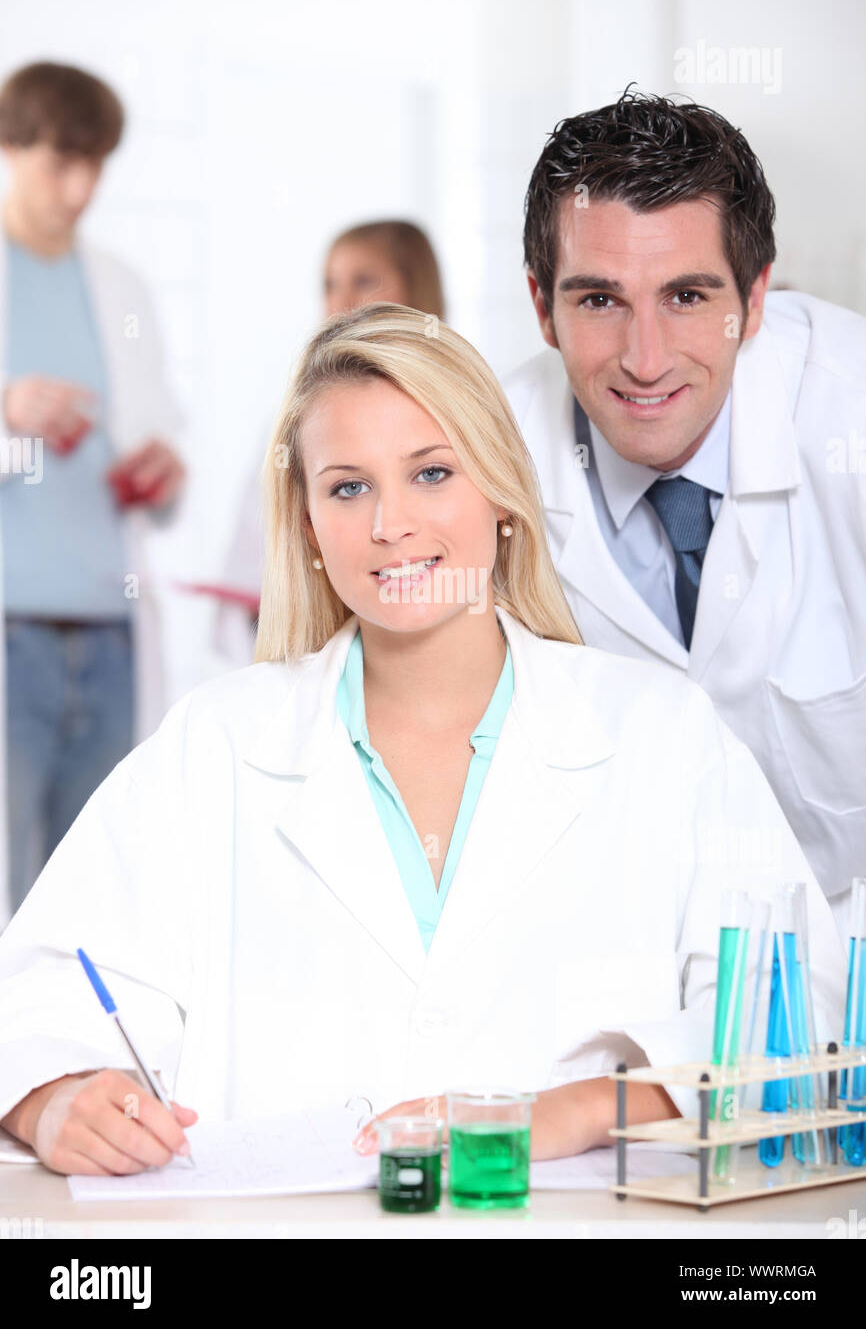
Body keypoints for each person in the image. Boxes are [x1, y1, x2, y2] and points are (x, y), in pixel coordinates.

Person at [0, 305, 843, 1176]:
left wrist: (576, 1110)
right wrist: (57, 1097)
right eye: (348, 487)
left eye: (432, 473)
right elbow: (45, 992)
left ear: (502, 492)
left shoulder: (662, 734)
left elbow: (792, 1014)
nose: (390, 524)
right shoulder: (217, 744)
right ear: (308, 526)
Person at [505, 89, 866, 943]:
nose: (646, 359)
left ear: (758, 294)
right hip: (623, 958)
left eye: (688, 297)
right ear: (541, 307)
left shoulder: (849, 416)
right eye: (598, 300)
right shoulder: (485, 456)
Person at [0, 61, 185, 919]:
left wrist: (163, 471)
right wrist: (7, 412)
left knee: (94, 890)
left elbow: (161, 429)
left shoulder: (122, 287)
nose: (78, 189)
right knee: (13, 884)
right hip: (14, 636)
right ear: (10, 147)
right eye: (57, 164)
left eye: (94, 165)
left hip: (110, 637)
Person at [215, 220, 445, 666]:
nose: (342, 303)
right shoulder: (299, 421)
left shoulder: (463, 405)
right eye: (329, 285)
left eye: (364, 281)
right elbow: (255, 550)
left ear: (416, 286)